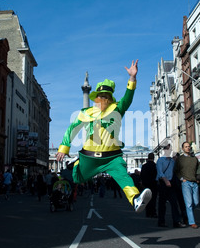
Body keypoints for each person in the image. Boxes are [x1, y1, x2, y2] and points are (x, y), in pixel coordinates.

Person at [56, 60, 152, 213]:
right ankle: (75, 164)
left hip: (112, 156)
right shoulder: (86, 112)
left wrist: (132, 78)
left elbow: (128, 97)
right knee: (77, 178)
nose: (103, 99)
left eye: (106, 96)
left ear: (110, 98)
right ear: (95, 98)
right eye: (100, 96)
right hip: (90, 156)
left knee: (123, 175)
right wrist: (64, 147)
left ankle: (135, 199)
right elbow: (72, 128)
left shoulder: (117, 109)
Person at [156, 141, 186, 228]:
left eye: (170, 149)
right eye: (168, 149)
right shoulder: (160, 160)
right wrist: (165, 181)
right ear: (165, 150)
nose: (170, 150)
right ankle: (161, 221)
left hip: (171, 183)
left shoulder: (173, 161)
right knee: (162, 203)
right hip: (163, 183)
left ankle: (176, 221)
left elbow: (177, 172)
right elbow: (160, 172)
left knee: (174, 203)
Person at [174, 141, 200, 229]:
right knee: (188, 203)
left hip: (194, 182)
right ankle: (192, 222)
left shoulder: (194, 158)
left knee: (196, 202)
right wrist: (182, 179)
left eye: (189, 146)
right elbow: (176, 171)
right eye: (186, 147)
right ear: (183, 148)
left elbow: (198, 169)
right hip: (186, 183)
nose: (188, 148)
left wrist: (198, 178)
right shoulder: (180, 159)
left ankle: (185, 215)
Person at [141, 153, 157, 217]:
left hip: (146, 185)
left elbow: (142, 175)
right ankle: (153, 212)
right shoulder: (155, 166)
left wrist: (143, 182)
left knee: (147, 199)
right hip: (154, 184)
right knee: (153, 199)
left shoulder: (144, 166)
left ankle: (148, 212)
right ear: (153, 158)